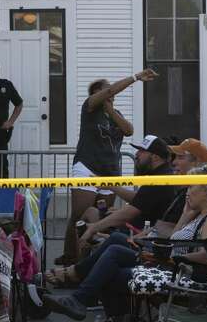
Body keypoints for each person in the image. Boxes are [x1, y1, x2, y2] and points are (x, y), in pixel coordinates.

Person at [44, 164, 207, 320]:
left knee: (112, 264)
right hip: (168, 265)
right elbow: (174, 239)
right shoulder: (198, 214)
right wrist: (185, 215)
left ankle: (106, 317)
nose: (187, 192)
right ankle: (91, 305)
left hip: (176, 271)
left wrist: (170, 257)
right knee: (115, 248)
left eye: (191, 187)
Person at [58, 70, 153, 266]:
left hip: (110, 171)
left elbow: (128, 130)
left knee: (101, 216)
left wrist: (110, 110)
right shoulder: (90, 108)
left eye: (111, 93)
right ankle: (71, 257)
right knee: (80, 214)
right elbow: (109, 90)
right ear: (95, 95)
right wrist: (135, 78)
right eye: (106, 92)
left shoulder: (114, 113)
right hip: (87, 166)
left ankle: (90, 259)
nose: (111, 94)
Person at [77, 135, 180, 248]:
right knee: (92, 215)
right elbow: (141, 199)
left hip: (139, 233)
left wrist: (94, 227)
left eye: (141, 151)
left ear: (155, 157)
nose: (136, 155)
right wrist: (112, 187)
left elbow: (129, 213)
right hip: (139, 227)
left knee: (90, 216)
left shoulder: (158, 180)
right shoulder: (161, 174)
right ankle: (81, 260)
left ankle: (78, 262)